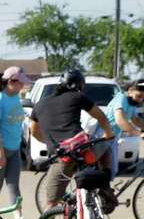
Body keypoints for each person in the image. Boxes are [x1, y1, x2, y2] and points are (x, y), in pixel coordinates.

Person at [30, 67, 115, 209]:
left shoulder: (40, 104)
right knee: (105, 147)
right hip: (83, 150)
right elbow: (101, 116)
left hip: (61, 156)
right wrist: (108, 134)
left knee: (51, 204)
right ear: (80, 85)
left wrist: (50, 143)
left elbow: (33, 131)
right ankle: (105, 186)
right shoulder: (78, 96)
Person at [0, 66, 34, 219]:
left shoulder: (16, 99)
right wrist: (0, 153)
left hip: (14, 148)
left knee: (14, 185)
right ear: (11, 81)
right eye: (21, 83)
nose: (23, 86)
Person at [97, 79, 144, 177]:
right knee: (107, 172)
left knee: (110, 172)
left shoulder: (131, 103)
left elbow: (135, 119)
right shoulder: (121, 98)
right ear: (130, 90)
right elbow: (120, 120)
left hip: (112, 138)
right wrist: (139, 134)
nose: (140, 100)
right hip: (102, 137)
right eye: (139, 96)